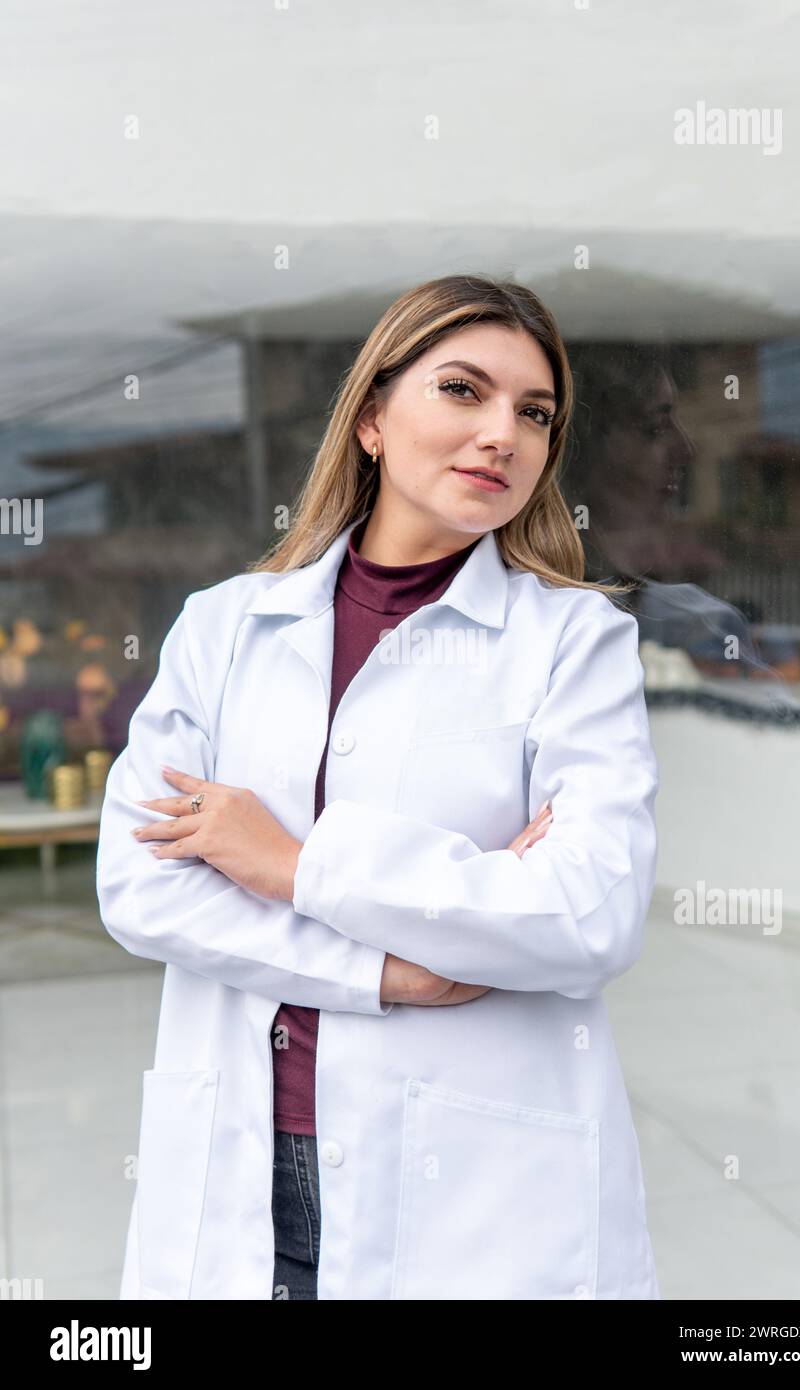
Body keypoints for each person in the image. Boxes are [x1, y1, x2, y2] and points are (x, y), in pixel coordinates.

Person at [96, 273, 661, 1301]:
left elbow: (586, 912)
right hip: (240, 1168)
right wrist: (389, 971)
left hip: (474, 1191)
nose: (503, 434)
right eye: (462, 390)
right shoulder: (225, 628)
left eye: (534, 414)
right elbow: (141, 888)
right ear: (370, 418)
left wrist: (288, 864)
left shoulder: (574, 644)